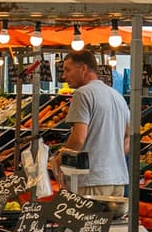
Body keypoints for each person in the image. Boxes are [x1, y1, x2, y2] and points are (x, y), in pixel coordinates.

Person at [53, 53, 132, 199]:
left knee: (87, 222)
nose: (64, 76)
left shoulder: (82, 94)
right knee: (109, 222)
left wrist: (60, 159)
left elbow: (78, 139)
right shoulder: (117, 96)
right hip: (118, 180)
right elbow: (128, 138)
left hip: (92, 180)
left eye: (67, 70)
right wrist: (111, 157)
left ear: (83, 69)